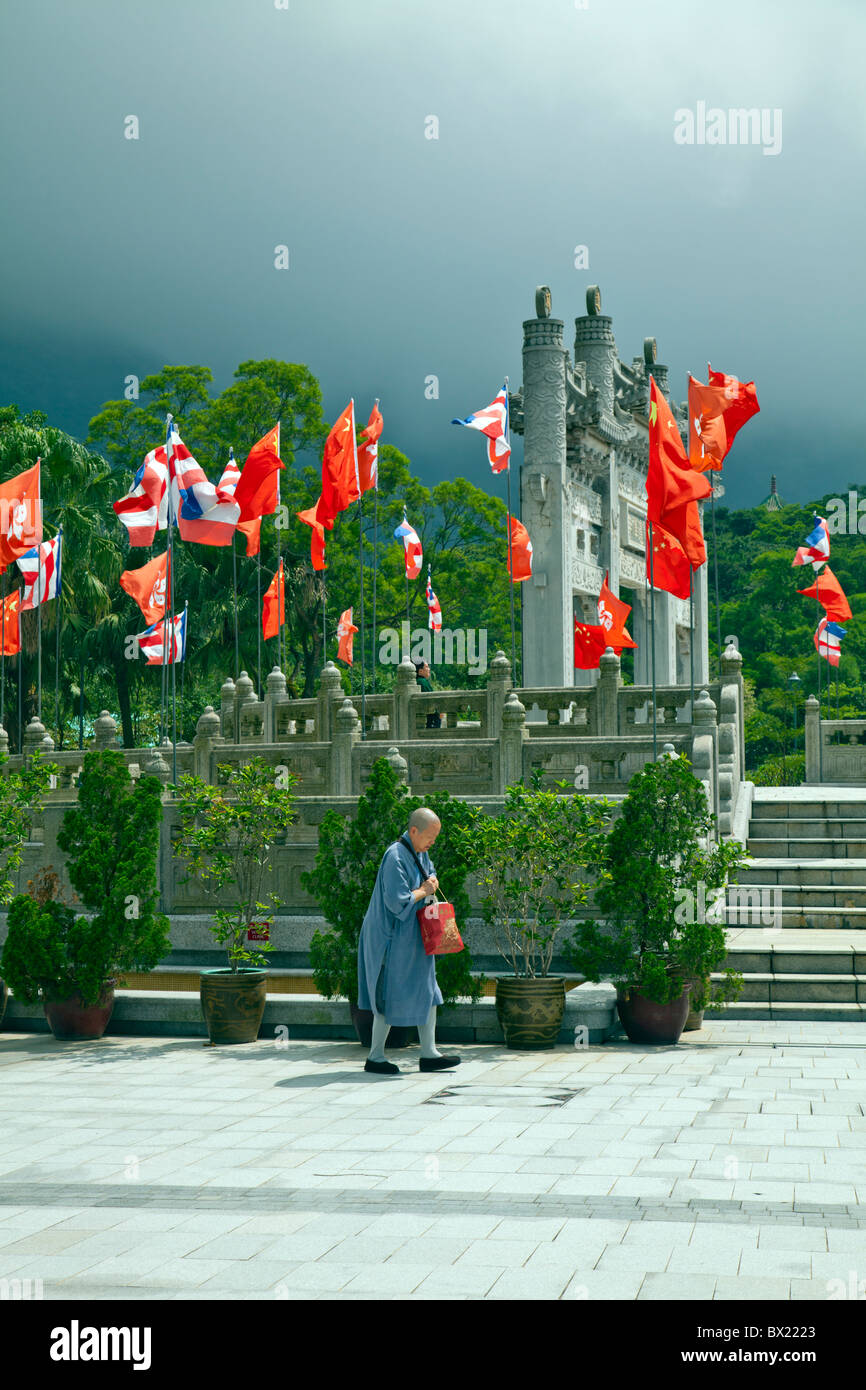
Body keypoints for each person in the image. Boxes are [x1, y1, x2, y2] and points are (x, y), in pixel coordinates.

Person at [357, 806, 460, 1075]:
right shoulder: (394, 856)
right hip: (390, 939)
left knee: (428, 989)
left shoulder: (418, 852)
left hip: (413, 936)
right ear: (414, 831)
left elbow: (428, 873)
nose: (433, 842)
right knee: (386, 993)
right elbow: (396, 901)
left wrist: (432, 881)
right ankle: (375, 1056)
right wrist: (424, 890)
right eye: (430, 836)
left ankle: (429, 1053)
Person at [414, 659, 441, 728]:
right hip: (428, 721)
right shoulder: (422, 682)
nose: (429, 669)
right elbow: (432, 700)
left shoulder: (416, 681)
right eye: (426, 667)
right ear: (420, 671)